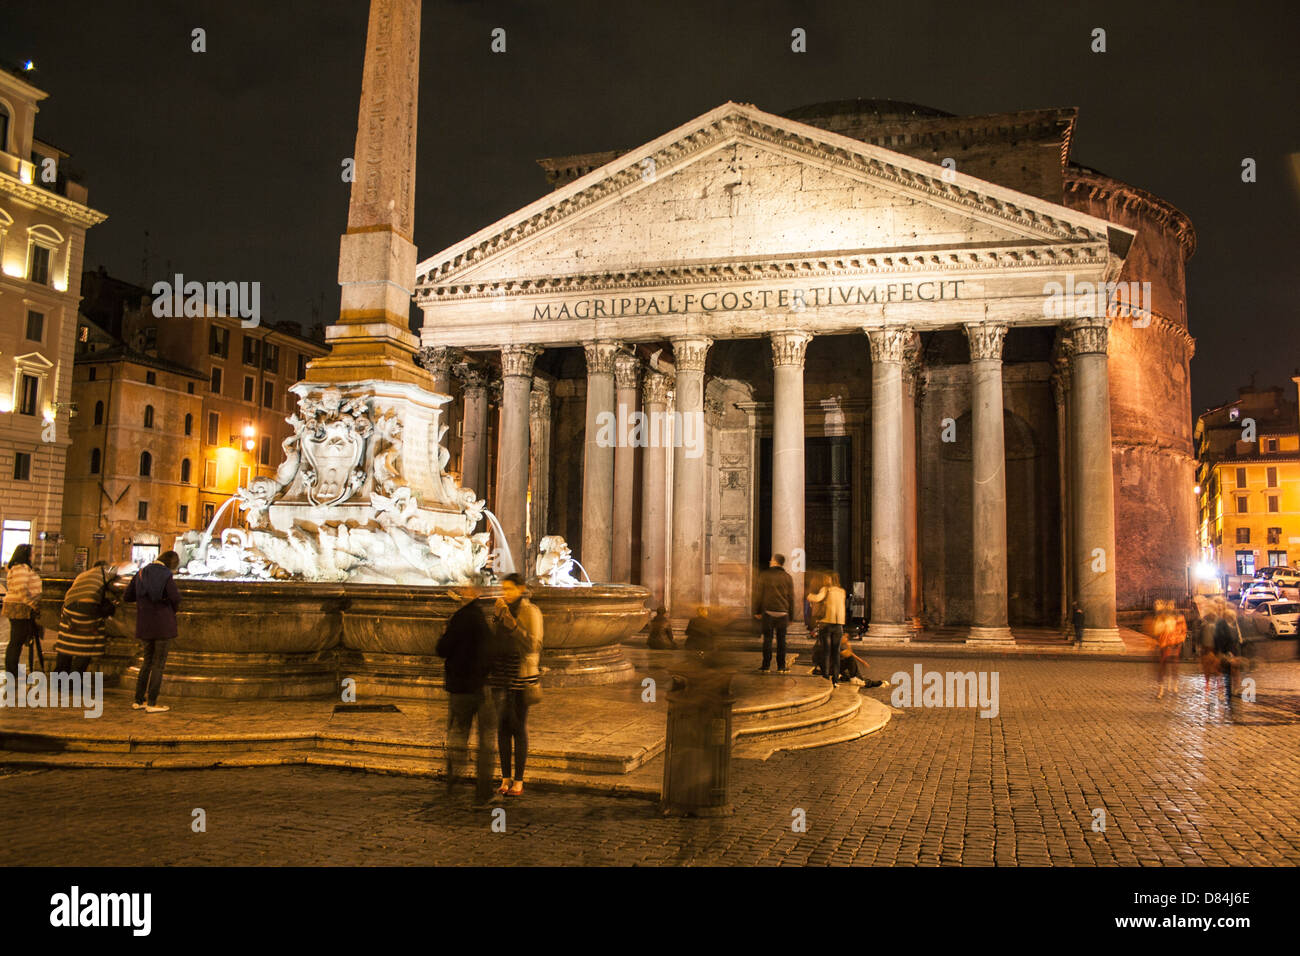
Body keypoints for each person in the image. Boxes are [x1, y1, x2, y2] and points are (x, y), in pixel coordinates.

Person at [435, 585, 499, 806]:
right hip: (480, 687)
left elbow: (442, 649)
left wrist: (444, 634)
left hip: (459, 688)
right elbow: (491, 652)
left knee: (458, 734)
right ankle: (483, 791)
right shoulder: (481, 619)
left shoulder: (458, 619)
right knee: (485, 741)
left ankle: (453, 780)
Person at [488, 574, 543, 797]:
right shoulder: (502, 610)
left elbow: (534, 644)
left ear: (521, 589)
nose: (506, 593)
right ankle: (505, 778)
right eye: (504, 589)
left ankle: (519, 780)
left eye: (510, 589)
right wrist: (497, 619)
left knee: (518, 727)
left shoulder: (531, 612)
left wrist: (512, 625)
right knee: (502, 729)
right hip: (501, 676)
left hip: (522, 677)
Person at [124, 550, 181, 713]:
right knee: (159, 664)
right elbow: (175, 598)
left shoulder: (141, 572)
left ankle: (138, 700)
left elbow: (127, 596)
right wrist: (171, 610)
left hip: (145, 623)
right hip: (163, 624)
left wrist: (144, 600)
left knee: (147, 662)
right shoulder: (166, 575)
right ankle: (152, 703)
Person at [54, 562, 126, 675]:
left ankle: (59, 680)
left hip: (68, 609)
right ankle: (75, 680)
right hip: (88, 608)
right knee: (85, 647)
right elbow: (124, 567)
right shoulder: (105, 571)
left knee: (66, 647)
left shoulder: (83, 575)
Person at [2, 544, 42, 681]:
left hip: (19, 606)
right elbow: (22, 589)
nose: (34, 555)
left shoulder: (20, 568)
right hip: (19, 607)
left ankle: (13, 670)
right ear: (26, 554)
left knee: (17, 640)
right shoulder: (20, 569)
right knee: (16, 640)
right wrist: (32, 604)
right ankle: (12, 671)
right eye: (33, 552)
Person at [753, 553, 794, 674]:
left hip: (768, 612)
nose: (770, 561)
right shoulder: (787, 577)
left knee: (768, 640)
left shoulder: (765, 575)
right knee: (782, 641)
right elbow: (791, 597)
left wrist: (757, 610)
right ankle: (781, 666)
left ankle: (766, 666)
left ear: (776, 562)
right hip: (783, 613)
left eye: (771, 560)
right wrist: (791, 616)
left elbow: (759, 594)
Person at [807, 572, 847, 685]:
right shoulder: (842, 592)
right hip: (838, 625)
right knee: (836, 653)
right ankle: (835, 679)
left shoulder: (826, 590)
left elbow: (817, 598)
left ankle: (825, 677)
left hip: (826, 624)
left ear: (829, 580)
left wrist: (809, 596)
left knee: (826, 652)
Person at [1213, 605, 1243, 710]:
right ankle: (1226, 692)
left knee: (1232, 671)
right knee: (1225, 672)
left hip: (1232, 650)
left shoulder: (1234, 626)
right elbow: (1219, 638)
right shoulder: (1222, 625)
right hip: (1226, 651)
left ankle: (1232, 690)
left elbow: (1236, 639)